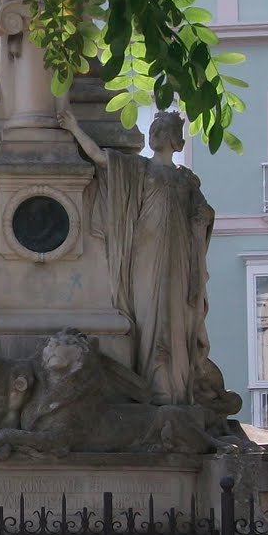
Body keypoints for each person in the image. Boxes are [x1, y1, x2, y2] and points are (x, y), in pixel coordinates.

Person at [60, 109, 215, 405]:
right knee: (148, 313)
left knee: (176, 316)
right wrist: (74, 127)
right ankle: (153, 384)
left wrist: (203, 217)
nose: (154, 133)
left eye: (161, 129)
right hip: (146, 251)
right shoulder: (139, 168)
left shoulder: (187, 179)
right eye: (153, 128)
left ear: (175, 139)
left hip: (179, 255)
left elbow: (203, 215)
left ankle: (176, 389)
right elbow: (101, 159)